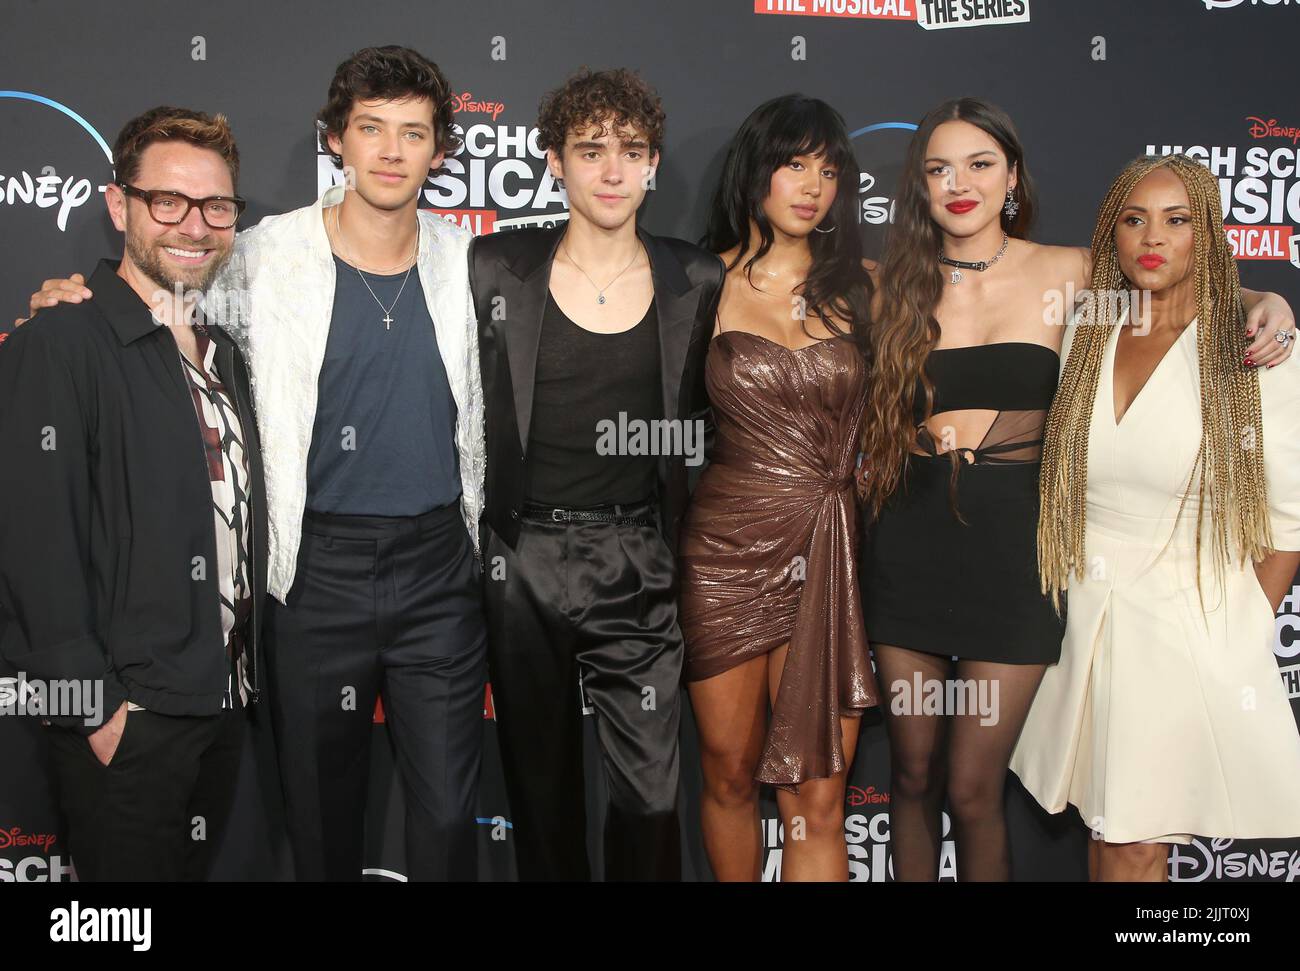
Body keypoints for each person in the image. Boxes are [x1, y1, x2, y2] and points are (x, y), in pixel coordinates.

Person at [21, 46, 489, 882]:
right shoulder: (263, 255)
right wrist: (73, 298)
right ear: (335, 142)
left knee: (451, 813)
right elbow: (160, 281)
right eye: (370, 128)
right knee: (316, 813)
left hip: (438, 570)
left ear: (440, 153)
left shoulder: (473, 263)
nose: (390, 150)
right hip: (311, 573)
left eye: (413, 133)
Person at [857, 97, 1296, 882]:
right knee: (914, 775)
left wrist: (1269, 303)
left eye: (981, 164)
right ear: (918, 187)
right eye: (939, 168)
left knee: (972, 785)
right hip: (908, 544)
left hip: (1015, 557)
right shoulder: (887, 284)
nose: (961, 183)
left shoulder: (1069, 272)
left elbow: (1177, 284)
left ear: (1013, 177)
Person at [1011, 153, 1300, 882]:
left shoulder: (1255, 348)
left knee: (1133, 838)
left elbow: (1289, 517)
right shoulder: (1089, 332)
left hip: (1187, 621)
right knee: (1111, 832)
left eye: (1177, 220)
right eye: (1134, 219)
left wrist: (1236, 625)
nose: (1153, 237)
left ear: (1207, 233)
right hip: (1088, 613)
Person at [470, 68, 724, 881]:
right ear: (554, 161)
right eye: (590, 150)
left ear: (652, 163)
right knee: (541, 794)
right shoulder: (494, 267)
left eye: (632, 150)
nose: (613, 170)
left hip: (639, 559)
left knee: (650, 798)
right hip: (522, 561)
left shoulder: (696, 277)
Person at [0, 107, 265, 880]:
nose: (194, 224)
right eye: (167, 201)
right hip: (129, 716)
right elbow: (35, 545)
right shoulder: (59, 342)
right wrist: (98, 710)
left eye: (216, 206)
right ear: (120, 206)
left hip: (220, 700)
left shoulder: (227, 355)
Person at [679, 94, 877, 882]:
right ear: (756, 168)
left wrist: (1249, 299)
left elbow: (1037, 290)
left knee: (816, 795)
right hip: (723, 551)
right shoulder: (698, 281)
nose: (812, 185)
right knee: (729, 774)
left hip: (830, 551)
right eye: (794, 163)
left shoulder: (868, 286)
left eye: (828, 170)